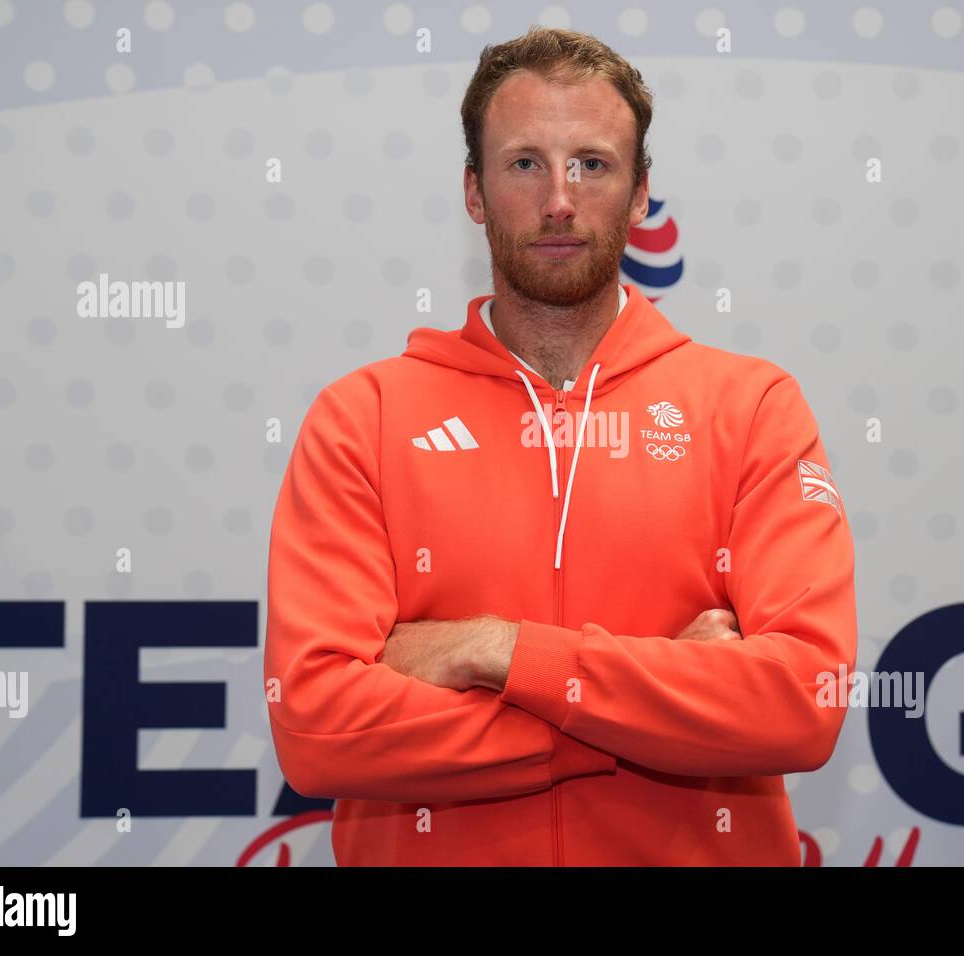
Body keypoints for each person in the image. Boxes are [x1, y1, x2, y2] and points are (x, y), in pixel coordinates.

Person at [265, 26, 857, 866]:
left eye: (592, 162)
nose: (558, 200)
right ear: (473, 192)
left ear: (642, 191)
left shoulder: (751, 407)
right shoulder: (363, 415)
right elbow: (317, 728)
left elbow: (802, 703)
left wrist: (498, 649)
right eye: (523, 164)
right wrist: (630, 720)